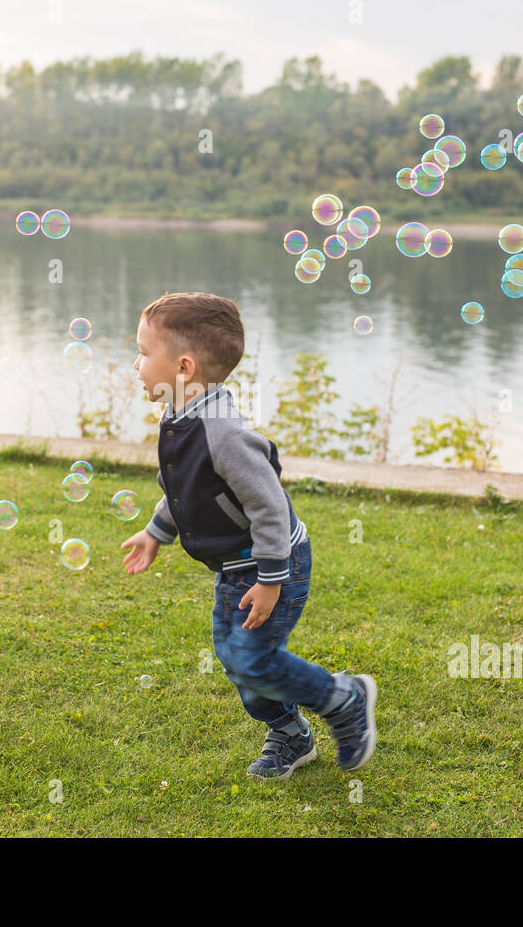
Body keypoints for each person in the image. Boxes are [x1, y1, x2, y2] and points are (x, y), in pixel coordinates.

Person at [120, 291, 377, 780]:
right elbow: (186, 492)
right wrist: (157, 531)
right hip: (238, 569)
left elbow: (270, 507)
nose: (135, 363)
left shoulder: (224, 432)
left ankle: (344, 697)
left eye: (143, 351)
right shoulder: (180, 417)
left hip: (272, 563)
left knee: (251, 659)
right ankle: (291, 735)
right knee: (239, 661)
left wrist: (272, 578)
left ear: (183, 366)